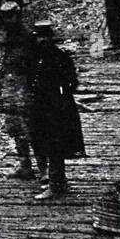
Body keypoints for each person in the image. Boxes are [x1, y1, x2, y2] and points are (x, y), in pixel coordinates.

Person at [28, 21, 85, 199]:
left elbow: (72, 82)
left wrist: (60, 91)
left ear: (51, 38)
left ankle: (56, 184)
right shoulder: (34, 58)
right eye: (39, 37)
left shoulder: (60, 57)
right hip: (41, 109)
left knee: (56, 146)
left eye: (45, 37)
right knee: (44, 144)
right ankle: (57, 181)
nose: (42, 40)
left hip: (59, 109)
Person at [0, 10, 38, 179]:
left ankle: (43, 168)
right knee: (14, 127)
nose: (7, 20)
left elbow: (33, 64)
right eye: (5, 17)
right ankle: (25, 164)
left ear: (18, 16)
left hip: (25, 85)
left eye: (10, 17)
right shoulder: (7, 36)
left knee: (31, 127)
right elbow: (4, 61)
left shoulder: (27, 37)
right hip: (10, 85)